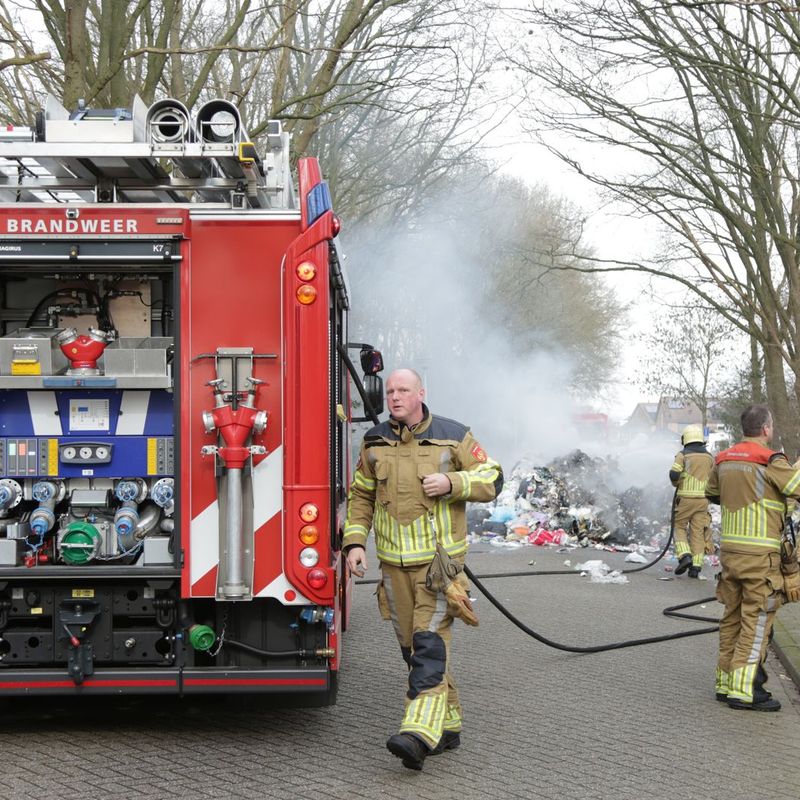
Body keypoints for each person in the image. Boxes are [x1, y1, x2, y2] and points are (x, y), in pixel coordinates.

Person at [343, 368, 502, 770]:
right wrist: (355, 543)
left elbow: (492, 478)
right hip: (392, 569)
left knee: (429, 648)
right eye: (391, 390)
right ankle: (448, 725)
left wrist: (452, 483)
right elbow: (361, 495)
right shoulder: (374, 440)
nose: (395, 397)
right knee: (412, 652)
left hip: (438, 570)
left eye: (404, 390)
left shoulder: (454, 435)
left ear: (420, 394)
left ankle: (418, 734)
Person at [705, 404, 800, 711]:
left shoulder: (723, 458)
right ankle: (745, 692)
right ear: (766, 429)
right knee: (756, 622)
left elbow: (712, 493)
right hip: (760, 557)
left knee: (731, 618)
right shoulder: (771, 459)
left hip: (730, 554)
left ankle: (725, 683)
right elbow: (795, 488)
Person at [669, 424, 714, 578]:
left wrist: (678, 482)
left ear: (685, 439)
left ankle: (685, 556)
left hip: (685, 499)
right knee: (697, 532)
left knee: (679, 527)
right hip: (703, 501)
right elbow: (713, 478)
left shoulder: (683, 455)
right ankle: (696, 566)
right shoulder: (709, 457)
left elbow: (674, 475)